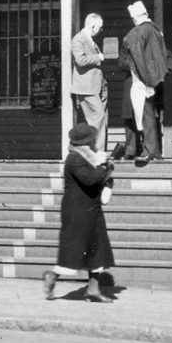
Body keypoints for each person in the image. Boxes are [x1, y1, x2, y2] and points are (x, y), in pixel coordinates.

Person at [41, 121, 116, 302]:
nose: (94, 143)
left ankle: (93, 290)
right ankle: (52, 276)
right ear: (85, 143)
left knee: (96, 247)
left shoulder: (87, 157)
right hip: (77, 212)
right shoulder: (75, 159)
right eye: (92, 140)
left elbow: (95, 172)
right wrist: (107, 168)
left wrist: (104, 163)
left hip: (90, 209)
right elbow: (90, 179)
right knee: (74, 250)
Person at [121, 0, 170, 165]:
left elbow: (138, 58)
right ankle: (154, 150)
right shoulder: (156, 30)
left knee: (145, 114)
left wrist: (146, 79)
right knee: (151, 115)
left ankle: (148, 150)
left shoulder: (137, 32)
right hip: (157, 78)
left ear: (134, 18)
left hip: (144, 80)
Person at [70, 12, 107, 150]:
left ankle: (96, 150)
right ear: (92, 26)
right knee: (98, 116)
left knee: (97, 119)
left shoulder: (90, 40)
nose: (100, 30)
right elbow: (81, 60)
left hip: (95, 86)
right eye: (99, 27)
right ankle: (94, 151)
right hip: (86, 87)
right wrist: (98, 57)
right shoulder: (78, 40)